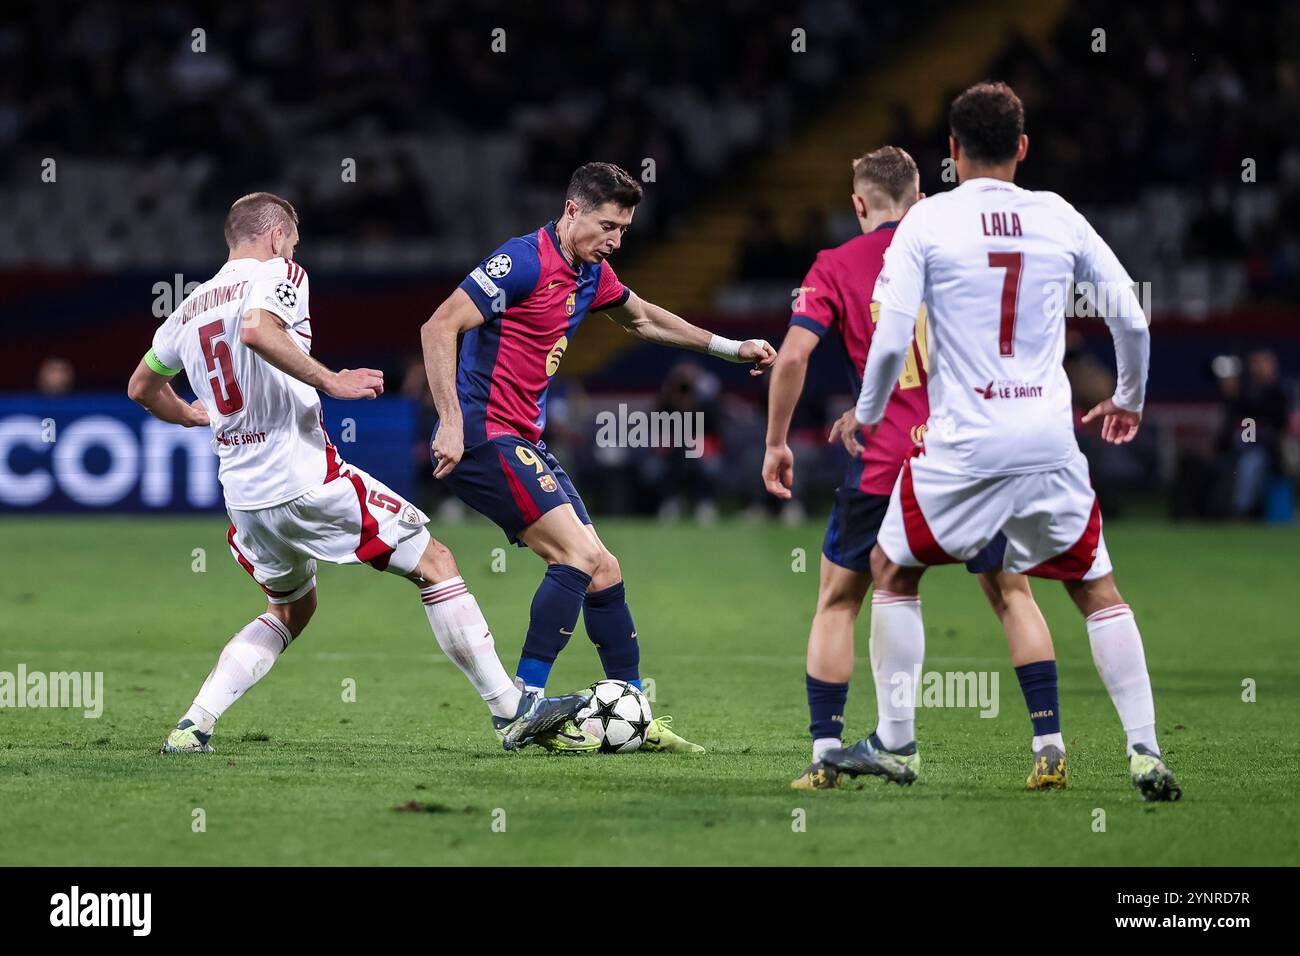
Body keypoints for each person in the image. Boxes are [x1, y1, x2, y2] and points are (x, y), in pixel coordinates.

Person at [127, 192, 589, 755]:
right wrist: (332, 380)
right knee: (436, 562)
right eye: (293, 241)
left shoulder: (191, 305)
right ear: (276, 236)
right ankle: (510, 711)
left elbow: (142, 387)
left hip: (245, 499)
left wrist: (193, 414)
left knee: (292, 609)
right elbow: (256, 329)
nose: (295, 252)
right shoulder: (280, 271)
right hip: (305, 479)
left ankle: (194, 724)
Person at [826, 83, 1180, 801]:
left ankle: (896, 743)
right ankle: (1145, 751)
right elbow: (1133, 322)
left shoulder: (928, 222)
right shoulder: (1057, 216)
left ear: (951, 153)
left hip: (962, 444)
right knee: (1097, 591)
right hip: (1049, 443)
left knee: (892, 571)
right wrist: (1127, 400)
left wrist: (867, 410)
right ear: (1023, 147)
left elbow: (892, 339)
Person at [421, 162, 777, 753]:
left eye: (623, 230)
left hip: (525, 440)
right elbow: (439, 326)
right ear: (572, 210)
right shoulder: (522, 260)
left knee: (604, 568)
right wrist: (452, 422)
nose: (614, 241)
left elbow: (642, 318)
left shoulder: (592, 273)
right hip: (486, 437)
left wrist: (727, 348)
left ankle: (634, 713)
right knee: (580, 555)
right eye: (607, 226)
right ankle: (523, 706)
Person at [764, 146, 1064, 791]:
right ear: (921, 199)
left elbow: (791, 357)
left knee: (841, 599)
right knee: (1012, 593)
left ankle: (827, 755)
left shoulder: (838, 265)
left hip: (885, 461)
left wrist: (777, 442)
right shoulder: (967, 253)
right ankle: (1049, 746)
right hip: (974, 454)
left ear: (857, 205)